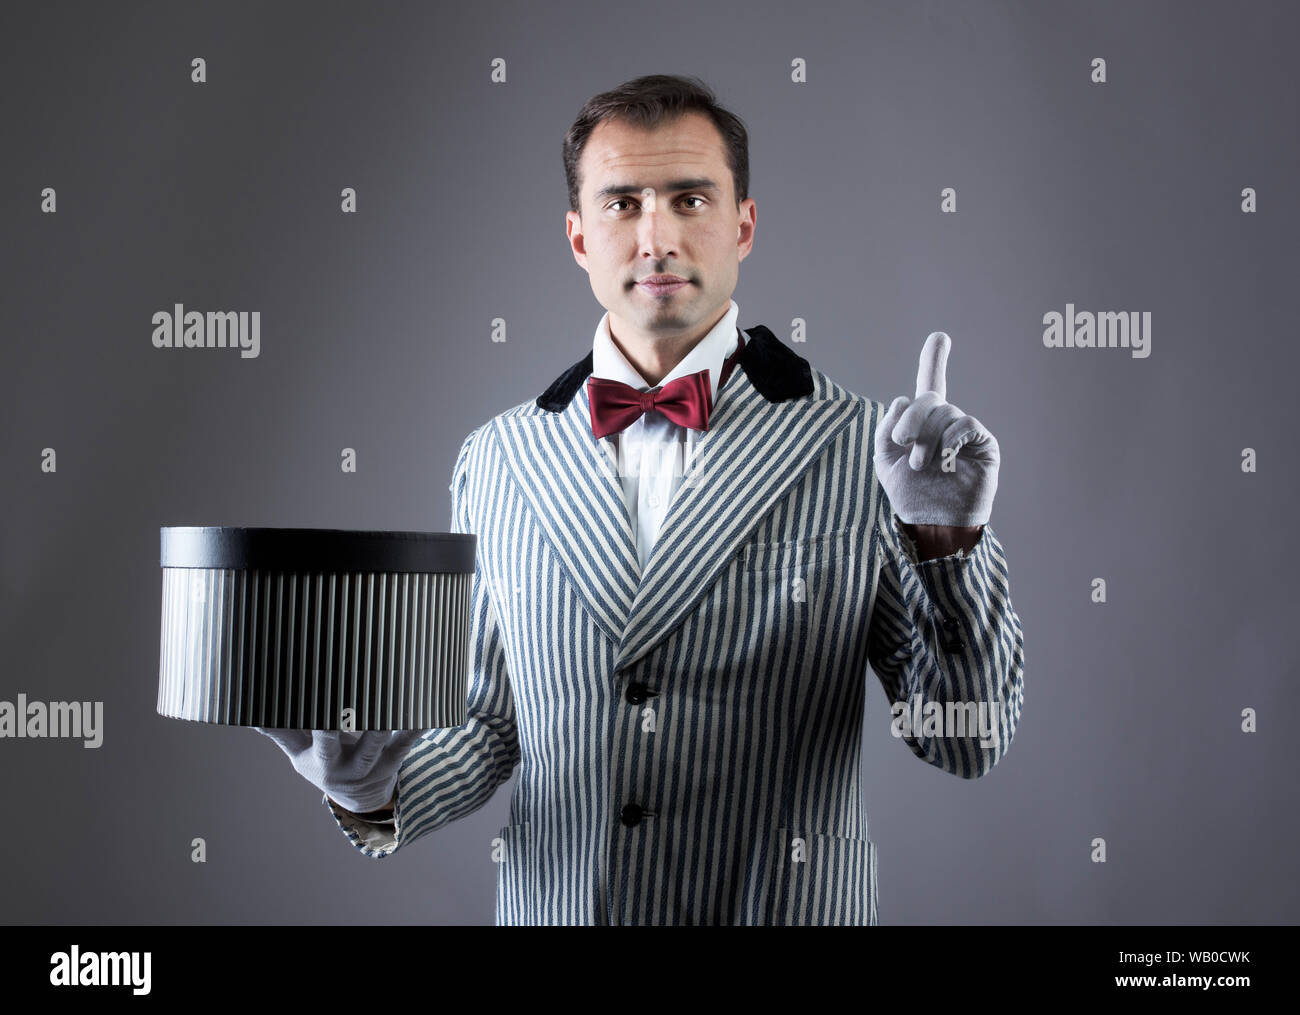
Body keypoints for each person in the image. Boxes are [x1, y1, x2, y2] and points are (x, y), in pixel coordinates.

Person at [260, 74, 1024, 925]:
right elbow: (489, 725)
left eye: (689, 198)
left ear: (743, 223)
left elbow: (966, 740)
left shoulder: (862, 446)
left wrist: (950, 543)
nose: (656, 236)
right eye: (622, 203)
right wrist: (372, 784)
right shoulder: (498, 459)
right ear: (579, 236)